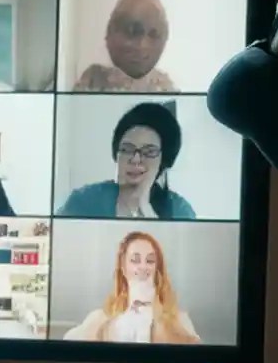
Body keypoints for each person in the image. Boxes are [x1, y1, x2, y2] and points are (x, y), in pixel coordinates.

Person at [58, 101, 196, 219]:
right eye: (127, 149)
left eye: (149, 151)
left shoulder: (179, 211)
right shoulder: (84, 201)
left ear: (164, 159)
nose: (136, 159)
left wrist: (146, 209)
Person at [62, 231, 200, 344]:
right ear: (123, 268)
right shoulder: (100, 318)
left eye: (150, 261)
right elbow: (69, 344)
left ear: (157, 269)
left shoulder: (179, 320)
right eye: (135, 260)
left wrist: (156, 316)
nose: (143, 267)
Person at [73, 0, 176, 93]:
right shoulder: (93, 80)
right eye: (133, 32)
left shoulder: (164, 88)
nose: (142, 45)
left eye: (154, 35)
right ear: (110, 31)